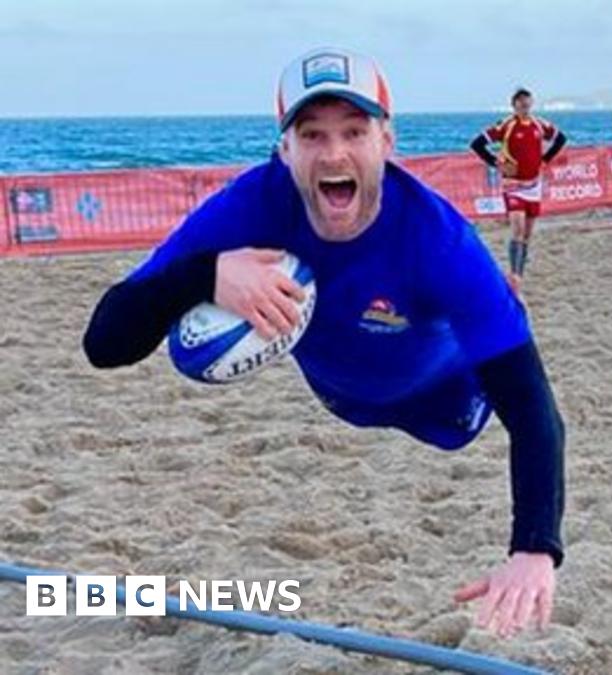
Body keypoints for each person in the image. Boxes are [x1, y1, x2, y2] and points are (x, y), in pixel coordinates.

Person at [81, 48, 565, 639]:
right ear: (285, 149)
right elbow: (104, 342)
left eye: (354, 131)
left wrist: (534, 549)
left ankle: (503, 303)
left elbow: (535, 413)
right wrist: (206, 275)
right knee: (189, 290)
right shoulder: (252, 204)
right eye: (311, 135)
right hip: (341, 393)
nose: (333, 152)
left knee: (502, 326)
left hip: (450, 399)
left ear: (386, 142)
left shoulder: (437, 239)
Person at [470, 88, 567, 293]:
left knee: (527, 235)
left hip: (534, 185)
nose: (525, 107)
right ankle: (514, 275)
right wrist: (496, 162)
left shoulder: (539, 124)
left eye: (527, 103)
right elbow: (477, 144)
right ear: (514, 105)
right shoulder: (507, 125)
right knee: (518, 229)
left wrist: (545, 160)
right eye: (520, 104)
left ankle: (519, 274)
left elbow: (561, 139)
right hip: (513, 185)